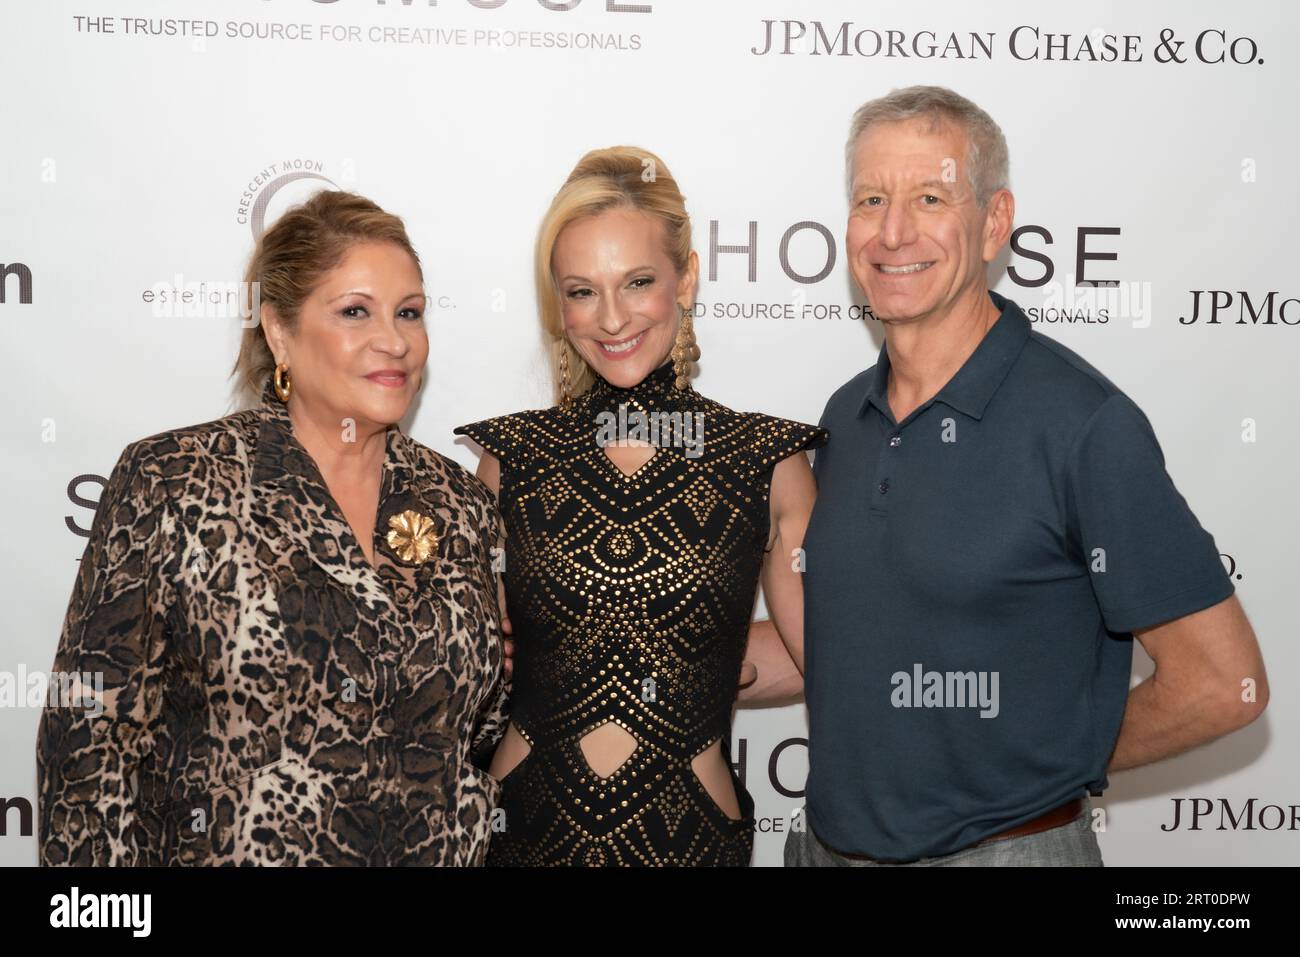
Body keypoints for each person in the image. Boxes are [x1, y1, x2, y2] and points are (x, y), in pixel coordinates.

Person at [787, 86, 1269, 867]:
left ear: (995, 223)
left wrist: (1044, 766)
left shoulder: (1083, 424)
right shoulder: (845, 415)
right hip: (824, 851)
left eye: (930, 196)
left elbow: (1225, 683)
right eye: (871, 198)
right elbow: (846, 640)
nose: (893, 230)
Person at [36, 190, 508, 866]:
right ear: (279, 331)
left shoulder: (460, 504)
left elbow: (480, 726)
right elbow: (87, 755)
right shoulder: (174, 481)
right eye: (355, 311)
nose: (395, 340)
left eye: (409, 311)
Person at [455, 146, 824, 866]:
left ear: (686, 278)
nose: (613, 317)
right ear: (557, 305)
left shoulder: (765, 460)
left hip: (690, 843)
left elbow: (834, 658)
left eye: (639, 281)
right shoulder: (513, 459)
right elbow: (465, 668)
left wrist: (714, 665)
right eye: (582, 290)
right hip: (523, 838)